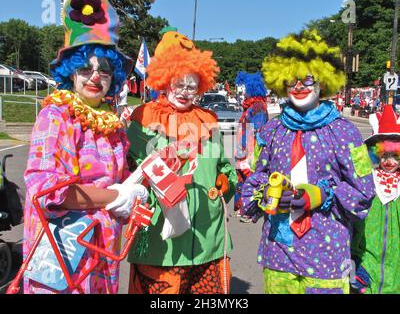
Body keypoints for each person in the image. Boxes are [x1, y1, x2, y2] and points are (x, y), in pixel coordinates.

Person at [22, 0, 148, 294]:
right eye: (85, 68)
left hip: (103, 251)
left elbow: (119, 183)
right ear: (71, 72)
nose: (95, 77)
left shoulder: (112, 124)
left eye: (104, 69)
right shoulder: (56, 116)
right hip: (61, 254)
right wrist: (114, 196)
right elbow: (46, 191)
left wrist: (137, 188)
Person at [241, 30, 375, 294]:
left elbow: (364, 191)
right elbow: (257, 175)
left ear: (322, 82)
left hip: (326, 255)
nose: (299, 86)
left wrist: (321, 195)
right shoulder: (272, 130)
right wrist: (262, 193)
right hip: (279, 252)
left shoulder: (344, 132)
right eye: (292, 81)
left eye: (307, 79)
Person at [126, 29, 237, 294]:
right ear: (164, 81)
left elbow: (224, 167)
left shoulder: (208, 120)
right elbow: (130, 171)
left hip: (208, 240)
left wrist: (226, 181)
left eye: (192, 85)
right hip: (160, 244)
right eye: (179, 84)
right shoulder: (143, 118)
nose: (186, 92)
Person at [351, 105, 400, 294]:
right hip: (366, 261)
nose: (389, 162)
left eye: (395, 156)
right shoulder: (368, 181)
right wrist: (353, 258)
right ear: (376, 153)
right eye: (384, 155)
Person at [233, 71, 269, 223]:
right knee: (242, 178)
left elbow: (258, 131)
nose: (244, 91)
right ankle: (243, 208)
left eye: (246, 88)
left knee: (250, 179)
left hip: (251, 150)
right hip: (243, 148)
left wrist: (251, 153)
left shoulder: (258, 106)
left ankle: (250, 209)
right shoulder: (250, 105)